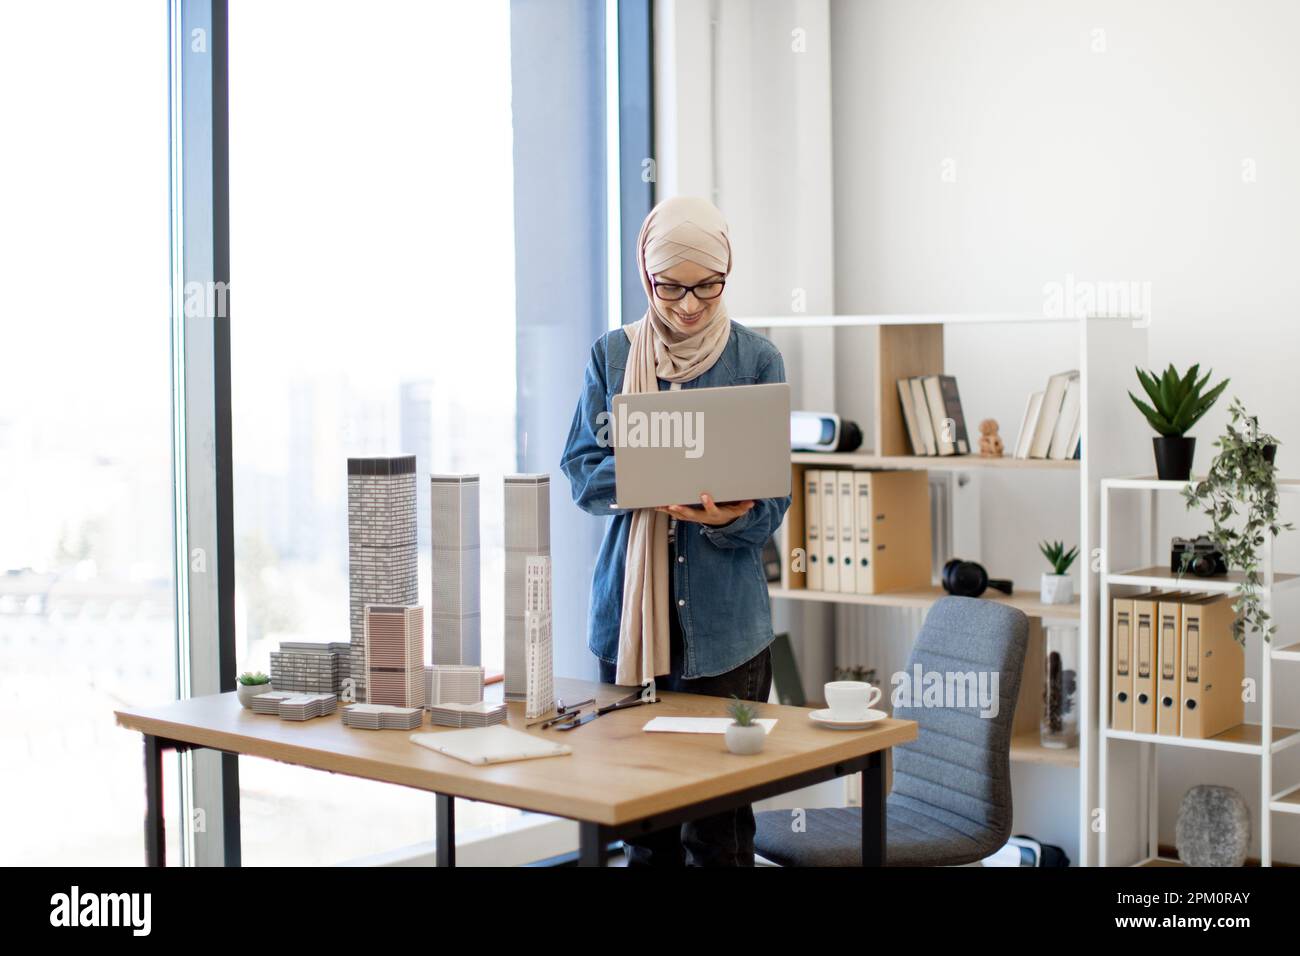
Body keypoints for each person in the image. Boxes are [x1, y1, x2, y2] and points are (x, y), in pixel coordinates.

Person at [560, 196, 791, 866]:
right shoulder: (613, 355)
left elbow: (774, 502)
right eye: (671, 287)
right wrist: (651, 473)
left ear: (727, 273)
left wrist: (729, 519)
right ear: (646, 275)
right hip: (628, 624)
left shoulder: (757, 359)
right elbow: (581, 473)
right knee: (644, 826)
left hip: (727, 634)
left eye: (707, 287)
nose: (689, 306)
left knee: (718, 832)